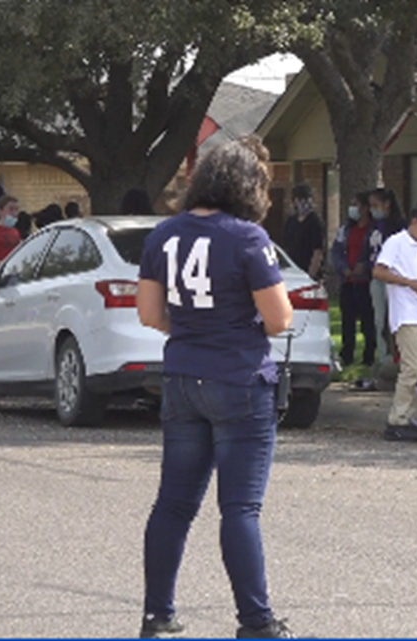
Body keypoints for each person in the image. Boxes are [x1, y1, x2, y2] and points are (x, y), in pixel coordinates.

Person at [135, 137, 296, 639]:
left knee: (173, 504)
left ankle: (157, 615)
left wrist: (193, 331)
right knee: (240, 509)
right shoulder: (248, 237)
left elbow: (149, 314)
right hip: (239, 379)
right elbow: (279, 318)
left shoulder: (163, 234)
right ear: (249, 186)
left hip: (182, 374)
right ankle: (255, 621)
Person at [372, 203, 417, 440]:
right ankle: (398, 418)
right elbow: (379, 271)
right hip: (406, 313)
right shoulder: (396, 242)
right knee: (411, 366)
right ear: (415, 222)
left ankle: (407, 414)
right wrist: (408, 283)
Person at [330, 192, 376, 366]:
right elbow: (336, 251)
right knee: (347, 322)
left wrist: (365, 266)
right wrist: (344, 269)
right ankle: (347, 355)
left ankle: (369, 356)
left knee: (368, 322)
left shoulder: (373, 230)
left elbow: (375, 251)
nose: (353, 209)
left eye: (356, 204)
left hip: (366, 283)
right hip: (348, 282)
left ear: (365, 208)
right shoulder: (346, 229)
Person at [367, 187, 406, 364]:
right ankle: (384, 357)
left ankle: (398, 355)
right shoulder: (374, 226)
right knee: (379, 318)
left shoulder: (398, 227)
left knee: (393, 318)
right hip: (376, 278)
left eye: (376, 205)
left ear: (387, 204)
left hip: (392, 278)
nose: (372, 209)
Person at [283, 183, 324, 281]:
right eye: (299, 199)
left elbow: (318, 251)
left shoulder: (315, 222)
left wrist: (310, 275)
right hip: (293, 271)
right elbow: (286, 247)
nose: (303, 203)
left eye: (306, 199)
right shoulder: (291, 221)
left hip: (308, 272)